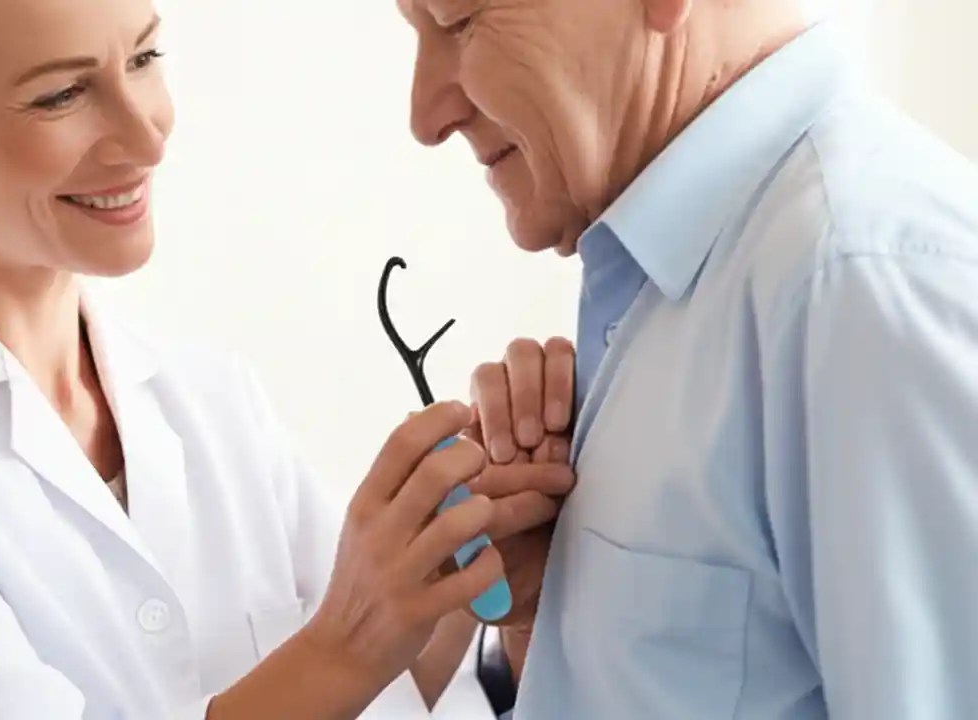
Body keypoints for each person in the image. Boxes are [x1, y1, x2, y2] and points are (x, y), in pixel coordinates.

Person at [0, 0, 579, 718]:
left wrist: (475, 573)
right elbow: (344, 659)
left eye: (144, 57)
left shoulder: (209, 399)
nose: (148, 136)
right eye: (60, 95)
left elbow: (394, 696)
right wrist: (348, 642)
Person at [397, 0, 978, 717]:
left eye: (459, 21)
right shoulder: (698, 285)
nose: (426, 116)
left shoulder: (857, 285)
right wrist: (554, 622)